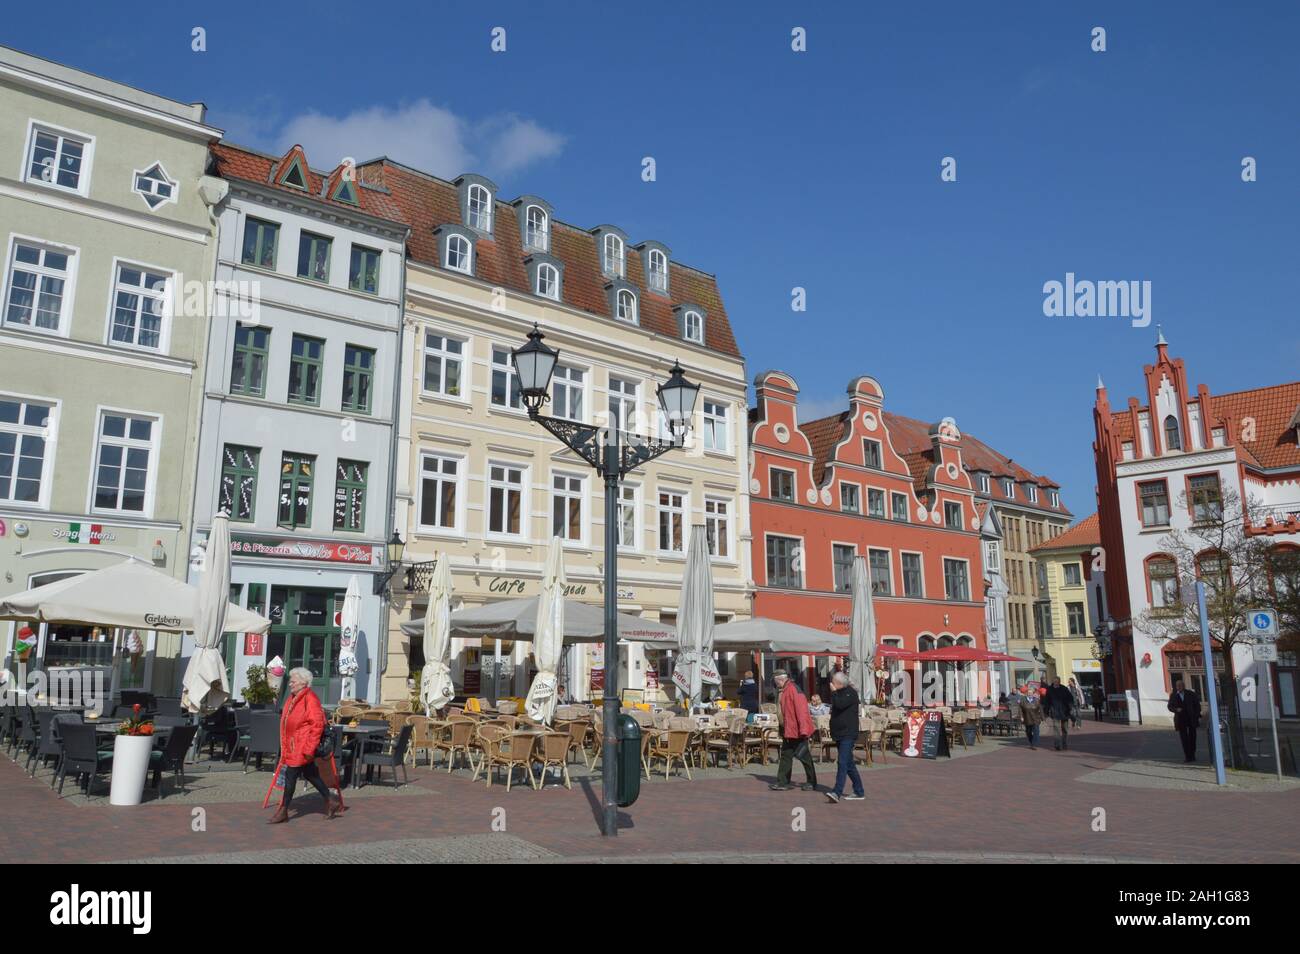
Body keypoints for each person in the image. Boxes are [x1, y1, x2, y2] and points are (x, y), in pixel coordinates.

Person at [268, 667, 340, 823]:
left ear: (304, 683)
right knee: (310, 774)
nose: (290, 684)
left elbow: (317, 726)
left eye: (293, 681)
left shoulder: (310, 699)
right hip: (293, 745)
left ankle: (284, 811)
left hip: (301, 746)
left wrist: (308, 749)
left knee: (290, 775)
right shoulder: (293, 698)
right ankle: (330, 799)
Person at [770, 670, 817, 792]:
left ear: (780, 680)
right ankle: (783, 781)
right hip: (788, 730)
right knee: (786, 755)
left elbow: (802, 711)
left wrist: (804, 731)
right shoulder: (784, 690)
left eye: (775, 682)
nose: (775, 685)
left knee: (804, 756)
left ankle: (811, 782)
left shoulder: (794, 689)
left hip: (797, 731)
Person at [824, 673, 865, 803]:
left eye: (833, 682)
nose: (832, 684)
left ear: (839, 683)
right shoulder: (840, 693)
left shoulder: (850, 693)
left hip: (848, 733)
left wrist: (834, 692)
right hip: (839, 733)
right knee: (849, 764)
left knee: (841, 762)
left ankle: (837, 792)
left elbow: (840, 705)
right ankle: (859, 791)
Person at [1167, 678, 1202, 763]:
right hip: (1181, 720)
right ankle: (1187, 756)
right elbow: (1170, 706)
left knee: (1192, 738)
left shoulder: (1191, 694)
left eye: (1180, 685)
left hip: (1191, 718)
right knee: (1184, 738)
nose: (1178, 687)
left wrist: (1196, 715)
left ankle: (1193, 755)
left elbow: (1197, 705)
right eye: (1177, 686)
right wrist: (1176, 709)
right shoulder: (1173, 695)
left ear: (1184, 686)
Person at [1044, 676, 1075, 750]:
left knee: (1065, 729)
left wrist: (1070, 707)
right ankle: (1057, 744)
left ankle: (1064, 743)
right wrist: (1047, 711)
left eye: (1058, 682)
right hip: (1055, 712)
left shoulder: (1064, 689)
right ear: (1053, 682)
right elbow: (1047, 701)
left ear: (1059, 682)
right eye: (1055, 682)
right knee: (1056, 729)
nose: (1056, 683)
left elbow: (1070, 698)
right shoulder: (1049, 689)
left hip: (1065, 712)